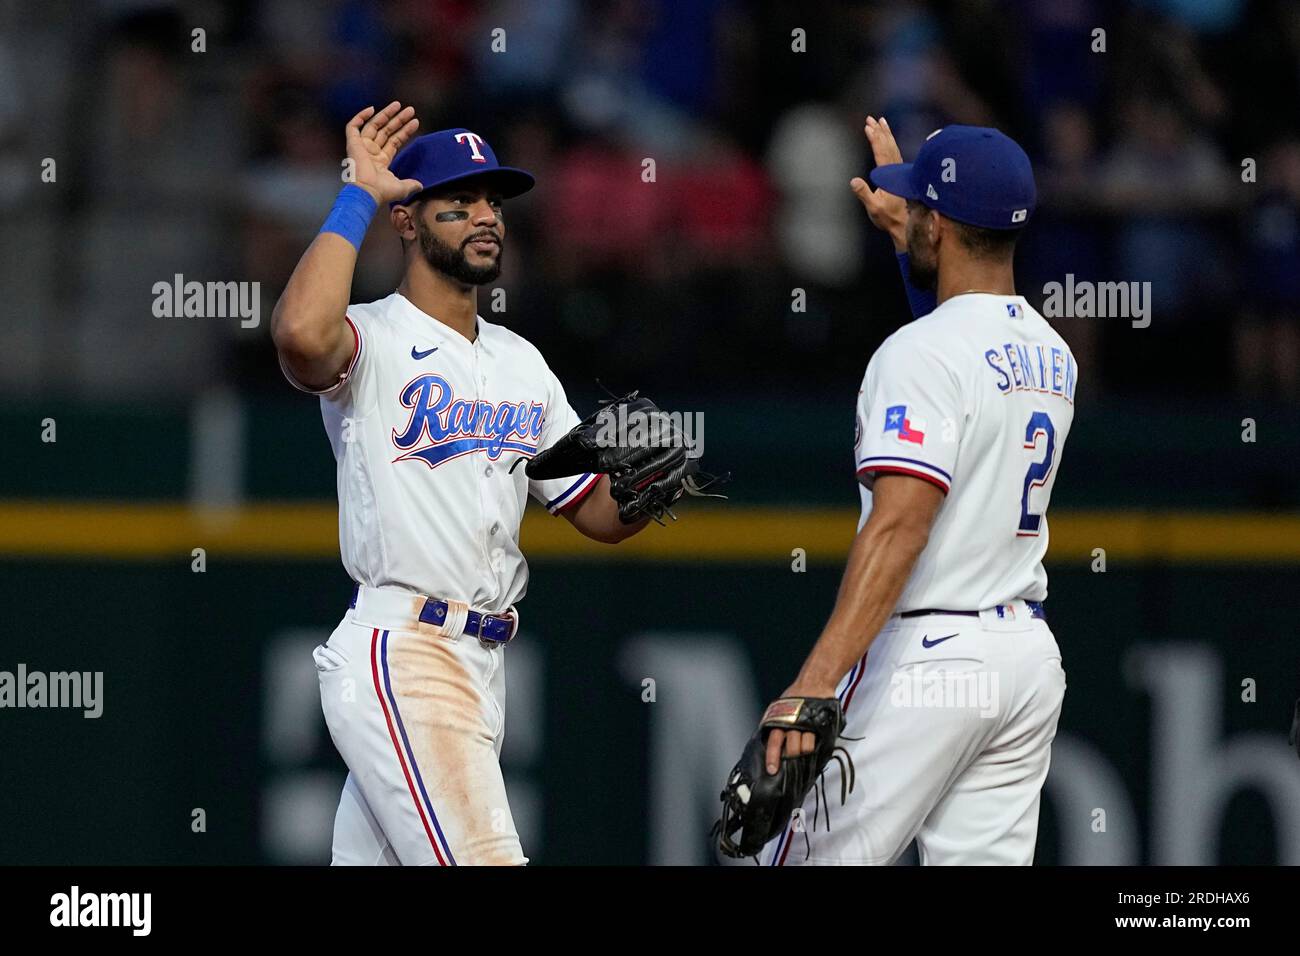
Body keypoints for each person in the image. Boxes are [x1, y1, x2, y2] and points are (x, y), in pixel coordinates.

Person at [271, 103, 675, 865]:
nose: (486, 216)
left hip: (484, 667)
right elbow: (299, 336)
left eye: (493, 201)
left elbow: (590, 508)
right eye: (458, 202)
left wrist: (643, 493)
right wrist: (360, 192)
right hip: (405, 651)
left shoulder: (522, 361)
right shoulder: (375, 336)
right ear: (408, 222)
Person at [762, 119, 1076, 865]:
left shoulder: (918, 354)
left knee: (785, 854)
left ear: (938, 222)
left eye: (919, 210)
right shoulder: (1053, 353)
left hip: (932, 656)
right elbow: (964, 349)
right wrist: (915, 240)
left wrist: (813, 687)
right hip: (1024, 657)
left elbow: (900, 529)